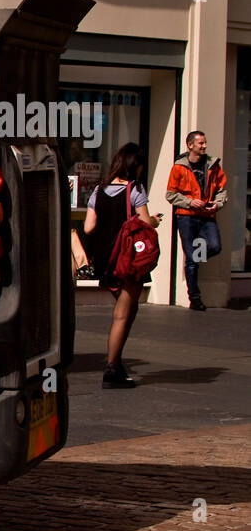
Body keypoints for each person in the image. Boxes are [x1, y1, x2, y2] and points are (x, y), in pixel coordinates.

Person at [84, 142, 162, 389]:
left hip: (106, 260)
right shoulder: (135, 189)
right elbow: (145, 222)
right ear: (134, 165)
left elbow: (88, 227)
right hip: (128, 260)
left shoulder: (98, 190)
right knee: (122, 314)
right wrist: (155, 221)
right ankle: (111, 369)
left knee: (127, 310)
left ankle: (116, 363)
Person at [166, 129, 227, 311]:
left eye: (205, 143)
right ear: (190, 145)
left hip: (207, 215)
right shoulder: (179, 167)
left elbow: (222, 189)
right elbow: (170, 194)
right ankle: (195, 298)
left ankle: (194, 258)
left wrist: (218, 203)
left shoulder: (213, 165)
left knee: (215, 246)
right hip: (186, 216)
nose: (205, 146)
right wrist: (190, 202)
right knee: (192, 260)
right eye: (201, 143)